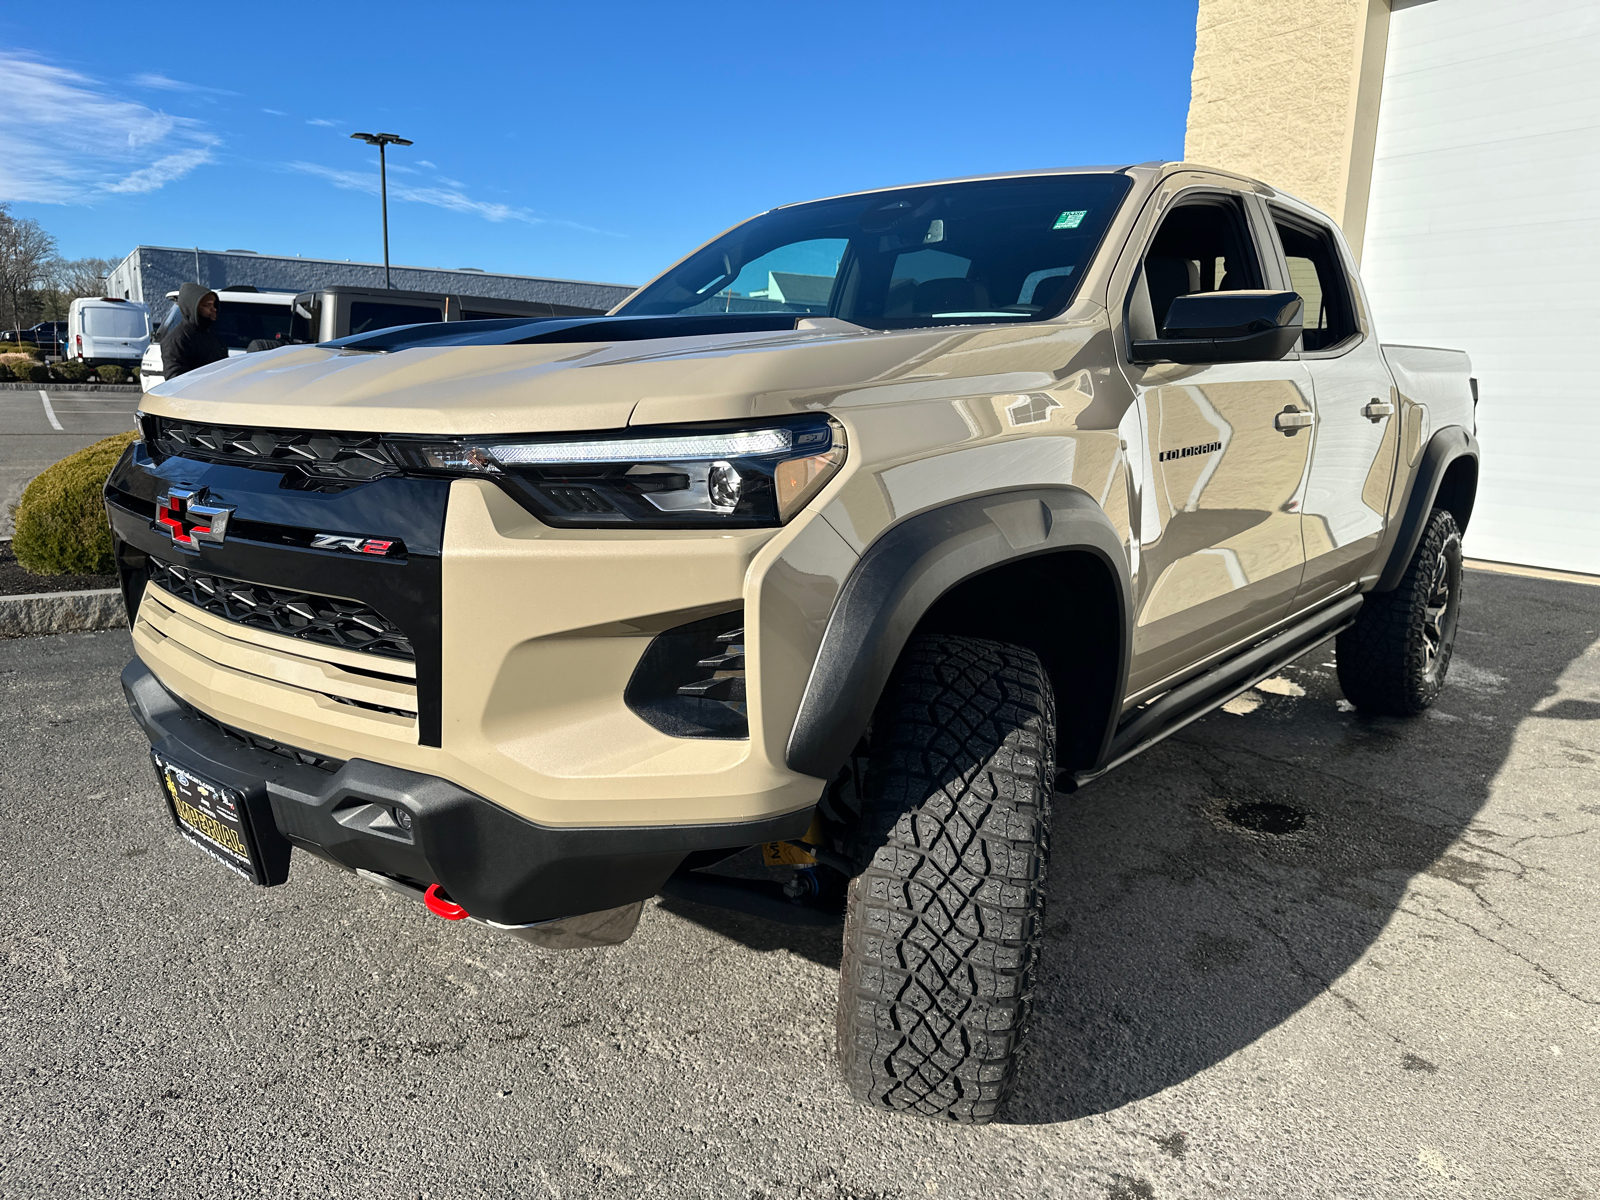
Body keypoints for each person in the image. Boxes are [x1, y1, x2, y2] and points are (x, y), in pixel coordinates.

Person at [159, 283, 228, 379]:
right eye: (207, 305)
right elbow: (175, 379)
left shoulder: (211, 334)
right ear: (192, 307)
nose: (213, 309)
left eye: (213, 304)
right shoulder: (177, 340)